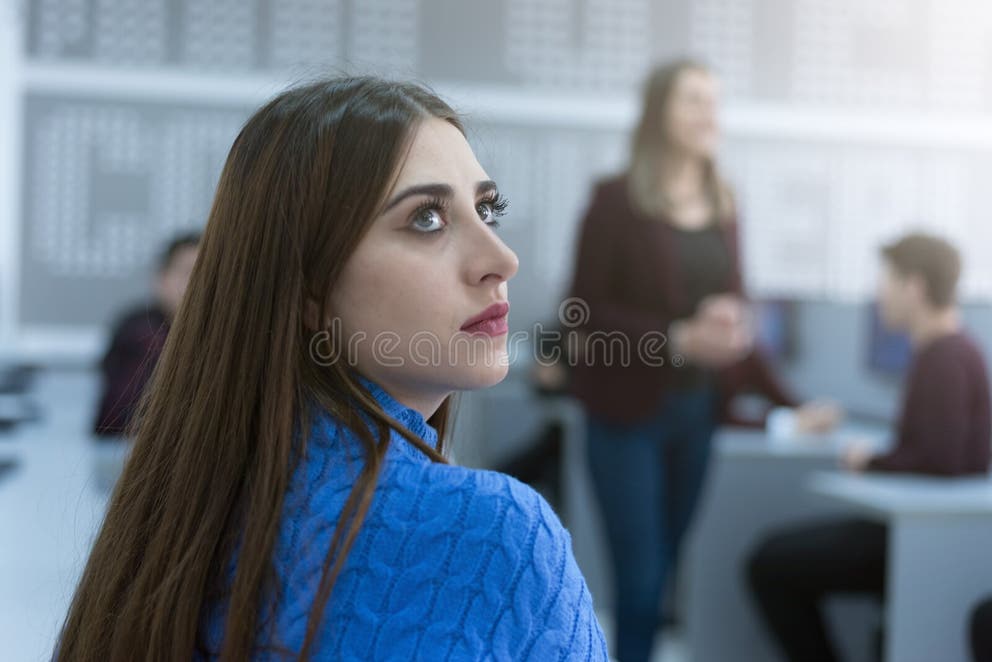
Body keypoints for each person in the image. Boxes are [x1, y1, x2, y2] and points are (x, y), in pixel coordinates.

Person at [56, 77, 608, 661]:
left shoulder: (176, 517)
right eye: (427, 219)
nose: (502, 260)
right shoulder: (493, 532)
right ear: (309, 290)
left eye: (487, 210)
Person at [567, 58, 837, 662]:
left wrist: (790, 400)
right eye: (692, 99)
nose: (707, 112)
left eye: (713, 100)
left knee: (664, 573)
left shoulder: (723, 203)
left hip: (697, 411)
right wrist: (676, 338)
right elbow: (580, 316)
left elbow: (738, 311)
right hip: (625, 415)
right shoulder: (614, 202)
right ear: (659, 111)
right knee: (637, 584)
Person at [747, 233, 992, 662]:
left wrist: (872, 461)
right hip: (923, 528)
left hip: (920, 537)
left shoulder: (945, 357)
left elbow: (944, 459)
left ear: (913, 287)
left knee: (769, 564)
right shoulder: (949, 351)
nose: (879, 294)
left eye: (887, 280)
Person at [92, 232, 200, 437]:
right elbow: (119, 417)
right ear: (161, 279)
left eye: (209, 275)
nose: (198, 284)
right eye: (188, 272)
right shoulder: (138, 331)